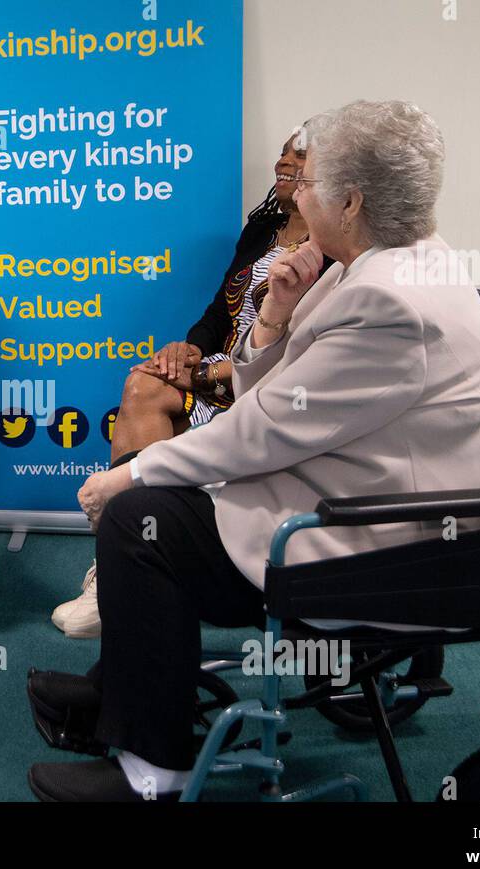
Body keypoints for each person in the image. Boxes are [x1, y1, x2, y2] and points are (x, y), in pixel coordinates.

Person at [28, 100, 480, 801]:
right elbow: (276, 398)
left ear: (351, 199)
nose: (295, 191)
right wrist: (275, 318)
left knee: (141, 521)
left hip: (373, 543)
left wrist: (129, 473)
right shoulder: (374, 264)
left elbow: (262, 427)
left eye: (308, 181)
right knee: (162, 508)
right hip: (344, 488)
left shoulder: (390, 301)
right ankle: (116, 697)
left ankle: (154, 768)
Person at [52, 126, 334, 638]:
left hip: (270, 386)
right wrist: (189, 350)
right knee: (143, 383)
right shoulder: (261, 231)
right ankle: (113, 574)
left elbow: (298, 354)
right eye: (282, 152)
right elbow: (214, 315)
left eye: (298, 156)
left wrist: (209, 372)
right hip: (227, 366)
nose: (282, 164)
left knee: (156, 387)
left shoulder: (335, 256)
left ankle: (141, 559)